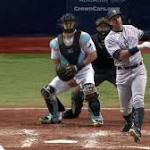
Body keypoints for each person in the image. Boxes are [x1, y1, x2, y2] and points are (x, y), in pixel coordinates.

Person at [40, 13, 103, 126]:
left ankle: (97, 117)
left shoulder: (84, 37)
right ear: (62, 24)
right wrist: (65, 75)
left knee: (89, 89)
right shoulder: (55, 42)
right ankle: (55, 115)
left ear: (74, 23)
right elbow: (56, 61)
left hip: (84, 71)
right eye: (66, 23)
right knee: (47, 91)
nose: (68, 25)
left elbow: (93, 55)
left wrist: (77, 67)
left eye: (70, 22)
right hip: (68, 73)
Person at [104, 8, 150, 143]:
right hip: (122, 73)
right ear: (110, 22)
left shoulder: (130, 28)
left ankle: (137, 129)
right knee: (124, 109)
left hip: (139, 71)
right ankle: (130, 122)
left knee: (138, 99)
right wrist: (140, 47)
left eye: (118, 17)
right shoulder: (109, 39)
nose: (117, 19)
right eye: (113, 18)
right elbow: (121, 55)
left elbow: (145, 35)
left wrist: (145, 40)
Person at [63, 17, 116, 122]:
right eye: (101, 27)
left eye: (105, 27)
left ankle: (133, 112)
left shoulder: (116, 38)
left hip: (114, 70)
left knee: (127, 89)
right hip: (96, 71)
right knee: (77, 93)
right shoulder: (92, 39)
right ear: (97, 28)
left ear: (110, 27)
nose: (103, 29)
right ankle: (74, 112)